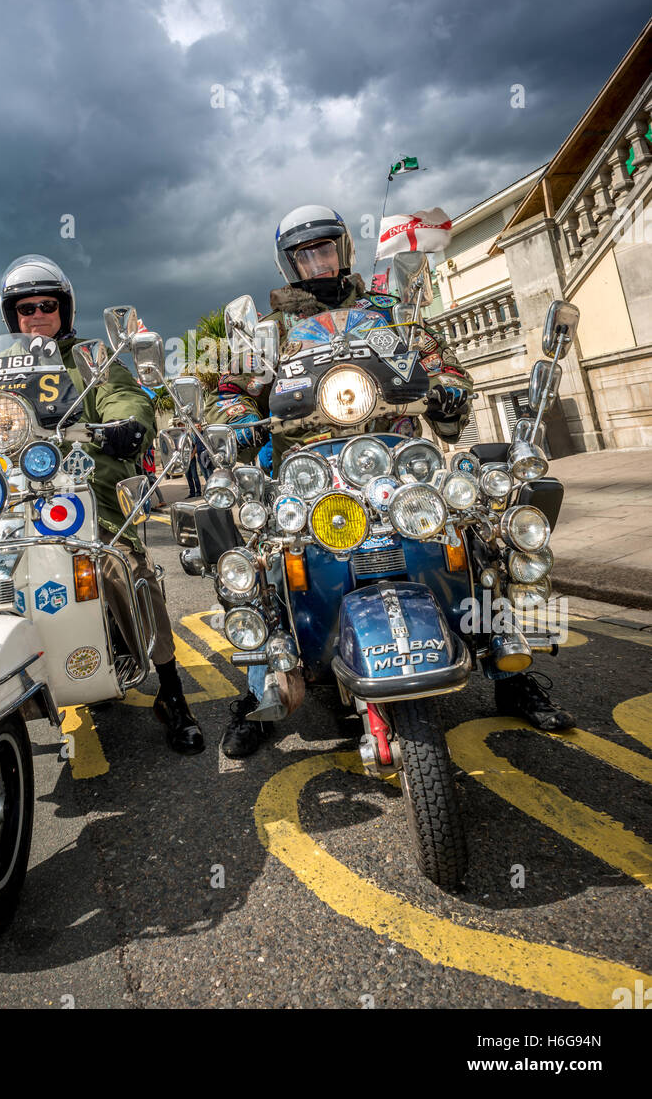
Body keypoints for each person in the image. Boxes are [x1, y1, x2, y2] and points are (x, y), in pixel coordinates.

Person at [209, 206, 573, 756]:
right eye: (304, 255)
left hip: (400, 459)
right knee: (255, 562)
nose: (317, 261)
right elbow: (228, 394)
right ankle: (262, 688)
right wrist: (237, 426)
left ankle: (510, 667)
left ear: (345, 250)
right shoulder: (268, 330)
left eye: (325, 249)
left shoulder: (391, 310)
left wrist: (450, 386)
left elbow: (441, 362)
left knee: (472, 536)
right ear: (289, 264)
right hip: (308, 470)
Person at [0, 254, 204, 755]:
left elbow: (124, 396)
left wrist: (128, 423)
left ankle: (171, 691)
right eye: (25, 308)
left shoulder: (88, 358)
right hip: (2, 493)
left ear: (64, 310)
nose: (37, 315)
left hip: (81, 485)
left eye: (47, 305)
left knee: (126, 569)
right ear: (12, 318)